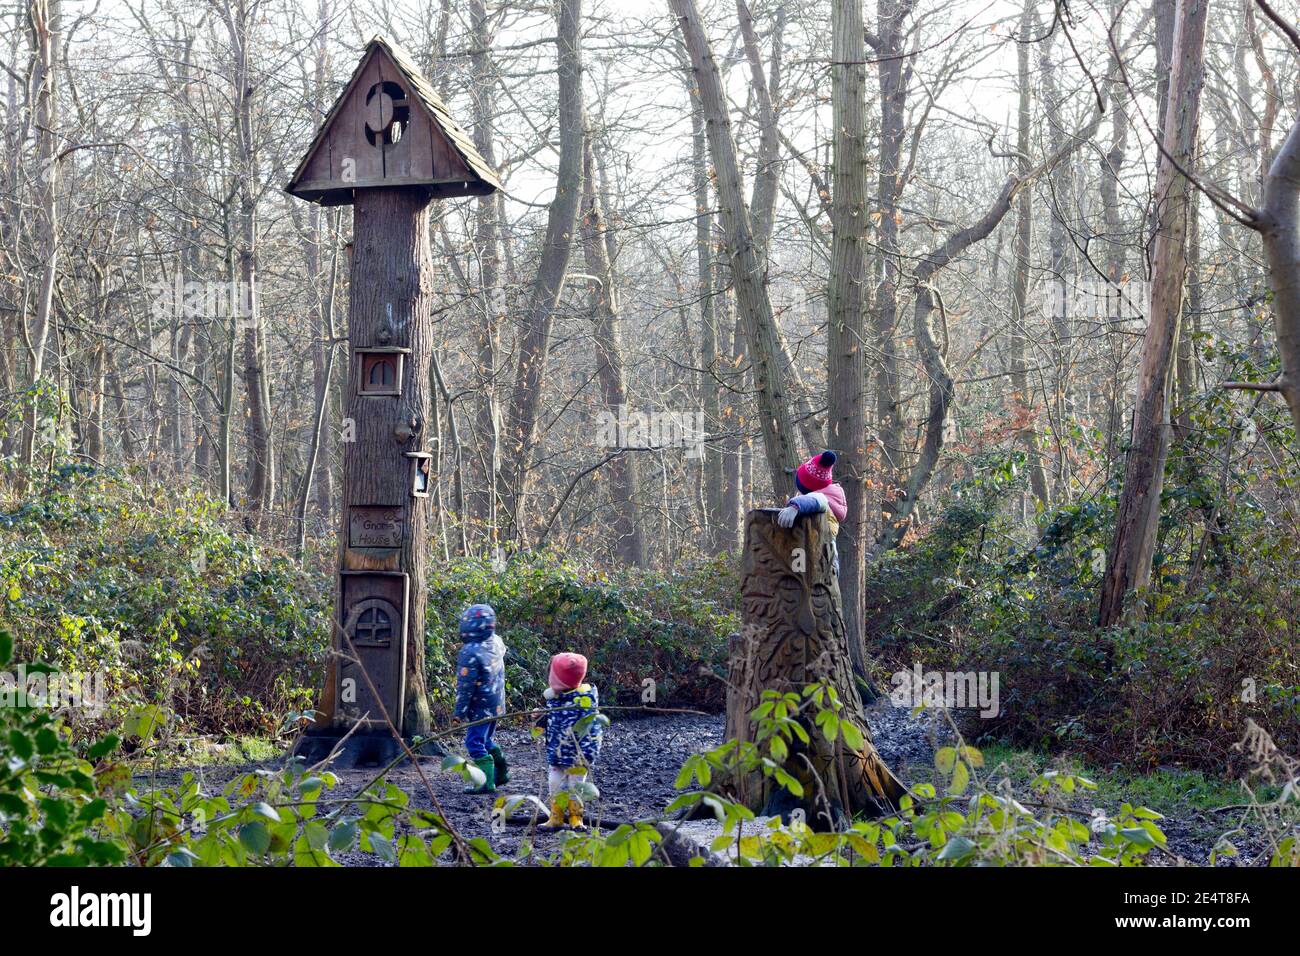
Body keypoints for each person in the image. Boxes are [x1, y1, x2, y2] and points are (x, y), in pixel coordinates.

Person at [537, 652, 603, 830]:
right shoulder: (556, 699)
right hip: (557, 754)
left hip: (578, 757)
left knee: (576, 786)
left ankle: (576, 818)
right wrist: (541, 719)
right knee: (554, 783)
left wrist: (588, 754)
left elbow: (592, 730)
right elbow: (554, 720)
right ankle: (556, 817)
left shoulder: (584, 702)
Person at [452, 603, 508, 794]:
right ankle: (501, 772)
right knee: (485, 740)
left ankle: (486, 782)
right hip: (497, 705)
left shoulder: (469, 653)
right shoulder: (497, 641)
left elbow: (465, 687)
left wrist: (459, 712)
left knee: (473, 743)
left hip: (480, 708)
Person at [777, 451, 847, 573]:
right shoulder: (818, 500)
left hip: (824, 561)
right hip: (813, 557)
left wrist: (795, 506)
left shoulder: (823, 500)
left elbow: (818, 499)